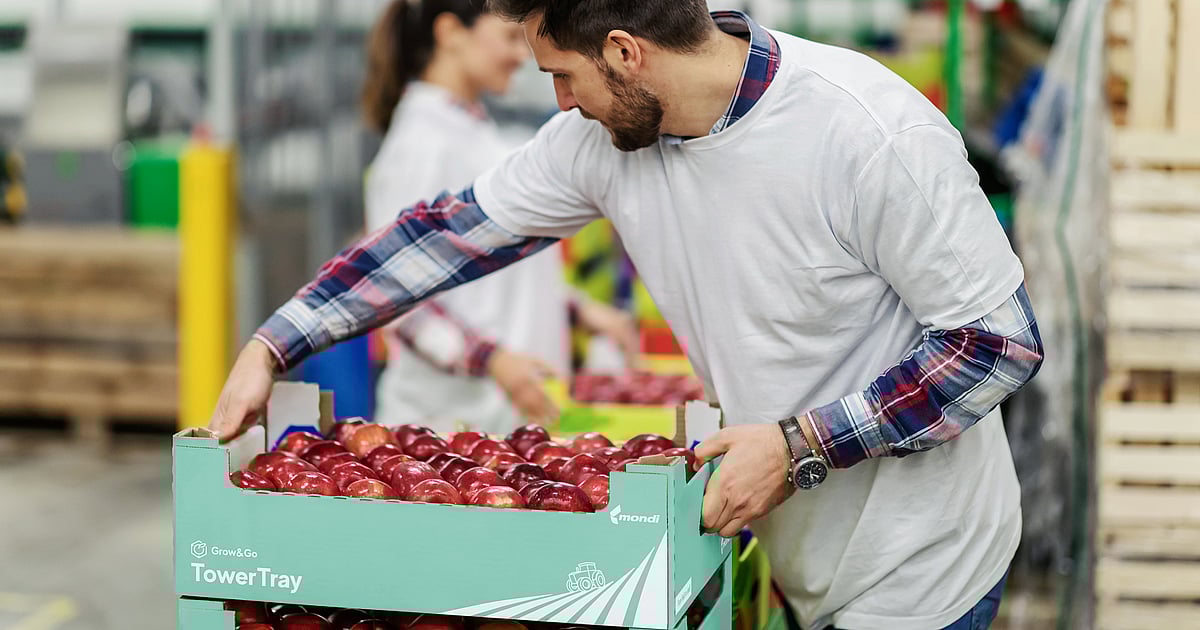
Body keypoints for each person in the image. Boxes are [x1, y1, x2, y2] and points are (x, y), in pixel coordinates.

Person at [210, 1, 1044, 628]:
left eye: (563, 76)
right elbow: (449, 235)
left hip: (925, 562)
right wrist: (277, 340)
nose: (562, 103)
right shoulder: (600, 146)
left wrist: (798, 446)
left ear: (624, 53)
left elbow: (996, 343)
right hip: (800, 550)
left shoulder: (864, 130)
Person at [359, 0, 639, 432]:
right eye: (509, 37)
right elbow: (395, 296)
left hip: (493, 423)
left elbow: (486, 269)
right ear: (451, 33)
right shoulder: (421, 145)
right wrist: (493, 361)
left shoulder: (470, 130)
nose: (521, 54)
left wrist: (575, 309)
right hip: (445, 433)